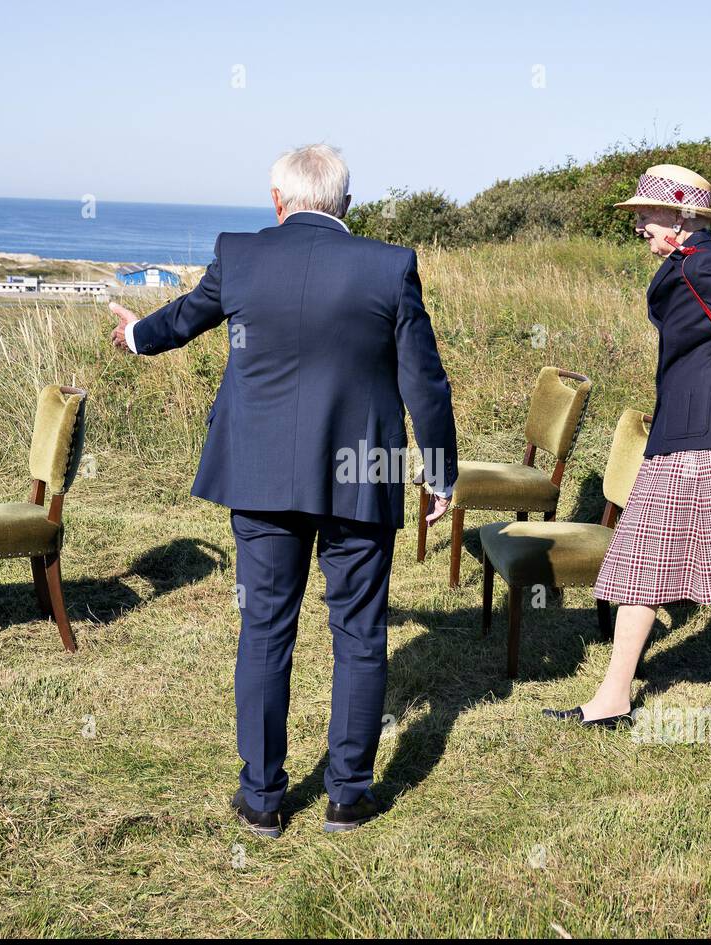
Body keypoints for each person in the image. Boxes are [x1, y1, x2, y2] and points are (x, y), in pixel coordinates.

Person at [108, 144, 458, 835]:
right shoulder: (388, 265)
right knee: (359, 632)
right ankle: (348, 797)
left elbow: (183, 318)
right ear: (346, 206)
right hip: (364, 479)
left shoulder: (241, 256)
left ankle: (263, 801)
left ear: (277, 201)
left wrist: (137, 336)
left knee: (265, 630)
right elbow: (426, 379)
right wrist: (440, 469)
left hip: (262, 479)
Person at [545, 164, 711, 733]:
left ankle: (613, 698)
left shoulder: (702, 264)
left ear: (682, 215)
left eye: (647, 214)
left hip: (702, 441)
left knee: (637, 560)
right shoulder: (691, 262)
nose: (638, 225)